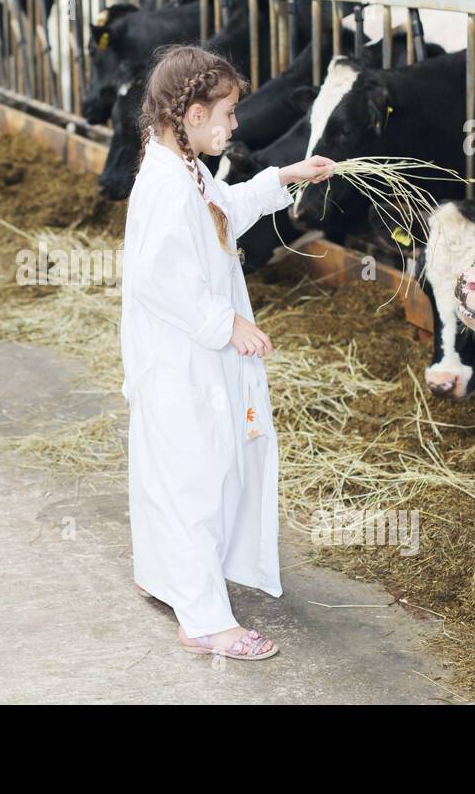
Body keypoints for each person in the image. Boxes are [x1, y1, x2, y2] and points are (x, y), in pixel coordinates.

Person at [120, 45, 334, 660]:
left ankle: (166, 574)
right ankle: (205, 620)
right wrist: (228, 321)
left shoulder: (185, 168)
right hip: (181, 355)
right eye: (229, 111)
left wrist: (285, 178)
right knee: (195, 475)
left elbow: (225, 210)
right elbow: (157, 279)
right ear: (189, 113)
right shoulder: (162, 183)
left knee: (183, 468)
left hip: (193, 352)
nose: (236, 123)